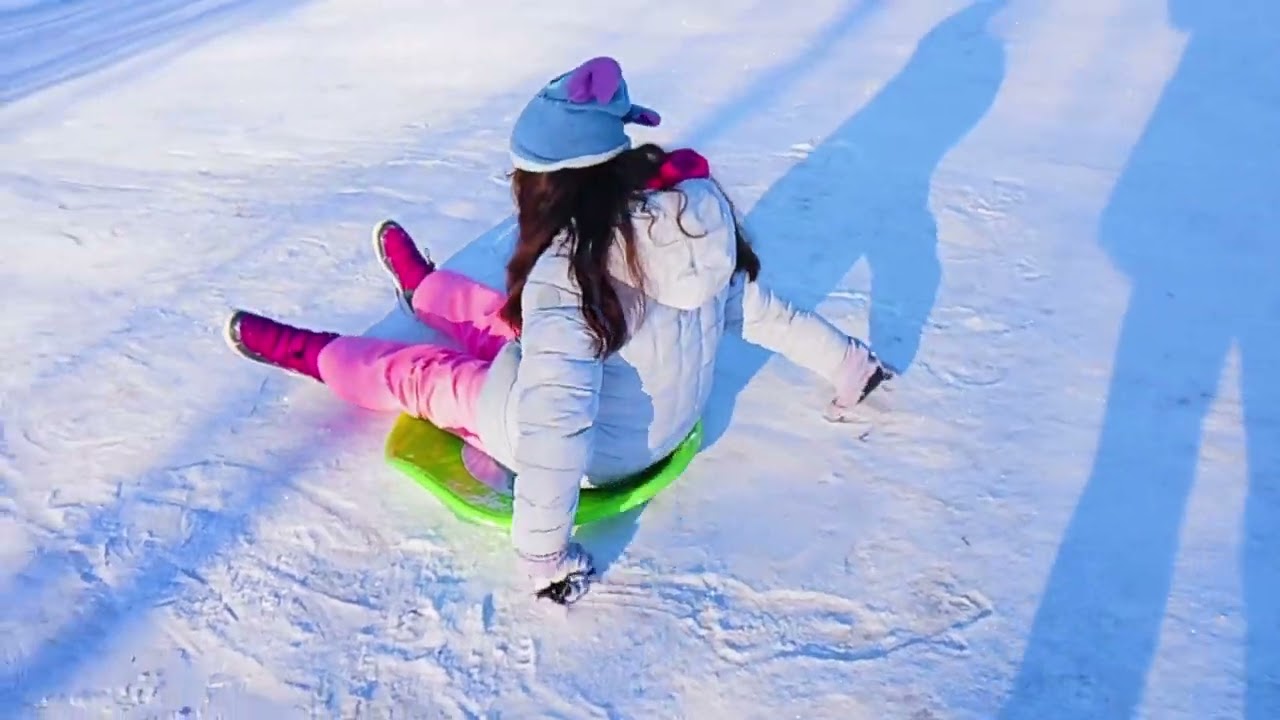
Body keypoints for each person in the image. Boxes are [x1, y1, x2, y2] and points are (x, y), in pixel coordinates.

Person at [223, 57, 891, 605]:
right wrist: (850, 367)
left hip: (599, 454)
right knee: (507, 319)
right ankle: (426, 290)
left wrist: (545, 556)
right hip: (664, 421)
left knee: (425, 376)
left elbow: (554, 421)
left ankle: (307, 352)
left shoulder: (570, 276)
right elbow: (768, 313)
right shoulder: (687, 224)